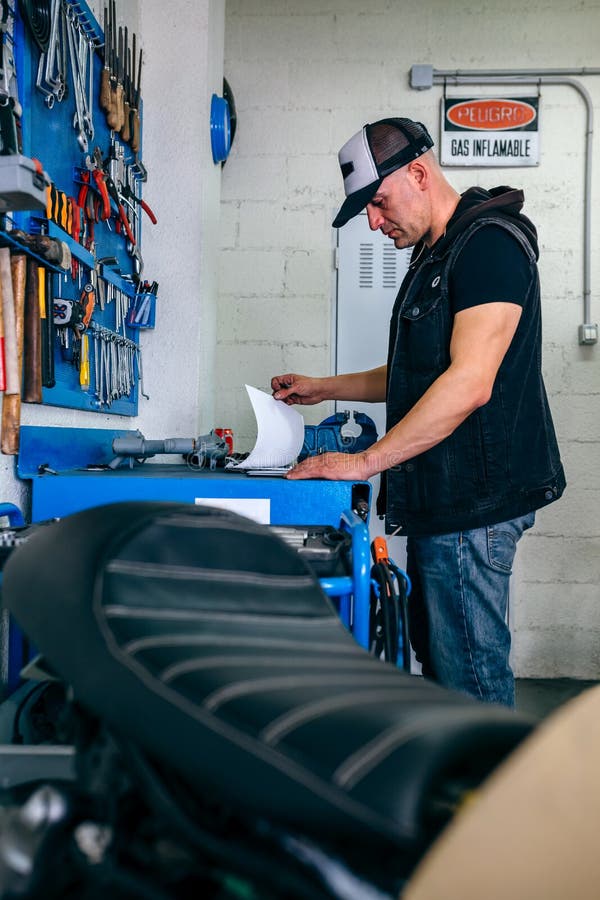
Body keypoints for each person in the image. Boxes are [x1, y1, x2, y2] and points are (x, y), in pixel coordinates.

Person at [271, 117, 565, 707]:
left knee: (469, 682)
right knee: (444, 669)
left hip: (473, 506)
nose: (374, 222)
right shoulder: (434, 255)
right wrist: (323, 388)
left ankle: (493, 797)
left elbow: (468, 383)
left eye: (378, 203)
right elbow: (417, 375)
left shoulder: (488, 246)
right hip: (443, 501)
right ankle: (459, 792)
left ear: (419, 174)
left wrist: (364, 463)